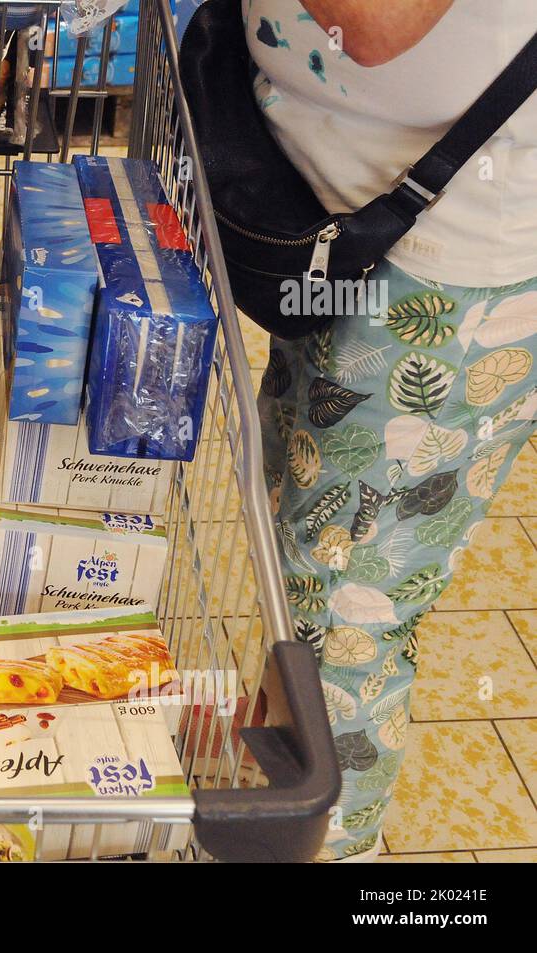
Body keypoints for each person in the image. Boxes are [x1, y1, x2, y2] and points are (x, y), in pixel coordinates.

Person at [245, 0, 537, 860]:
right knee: (297, 576)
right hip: (342, 229)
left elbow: (376, 21)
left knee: (344, 618)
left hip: (444, 278)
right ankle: (275, 814)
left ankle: (332, 849)